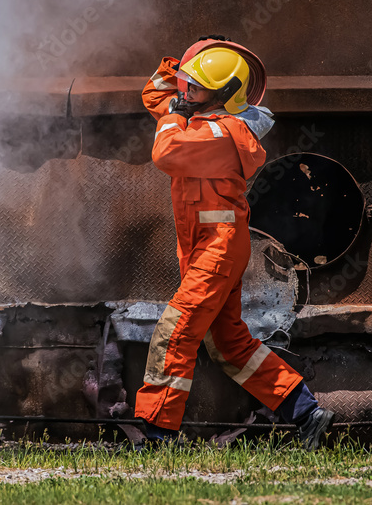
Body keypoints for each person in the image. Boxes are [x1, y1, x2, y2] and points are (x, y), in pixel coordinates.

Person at [134, 35, 335, 450]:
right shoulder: (201, 114)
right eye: (187, 85)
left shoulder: (223, 135)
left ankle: (157, 434)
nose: (185, 93)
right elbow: (154, 93)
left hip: (218, 248)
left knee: (176, 331)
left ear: (222, 96)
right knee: (229, 344)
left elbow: (166, 152)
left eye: (195, 87)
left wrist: (174, 110)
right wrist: (184, 67)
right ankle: (307, 414)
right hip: (206, 246)